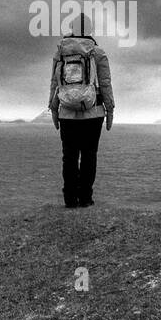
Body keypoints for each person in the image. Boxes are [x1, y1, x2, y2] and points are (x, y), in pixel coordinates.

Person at [48, 13, 114, 208]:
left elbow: (54, 82)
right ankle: (85, 198)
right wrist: (110, 110)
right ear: (90, 30)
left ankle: (69, 199)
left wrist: (53, 108)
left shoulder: (60, 52)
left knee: (69, 156)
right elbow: (106, 84)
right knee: (89, 155)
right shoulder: (98, 52)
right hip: (93, 113)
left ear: (73, 29)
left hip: (66, 112)